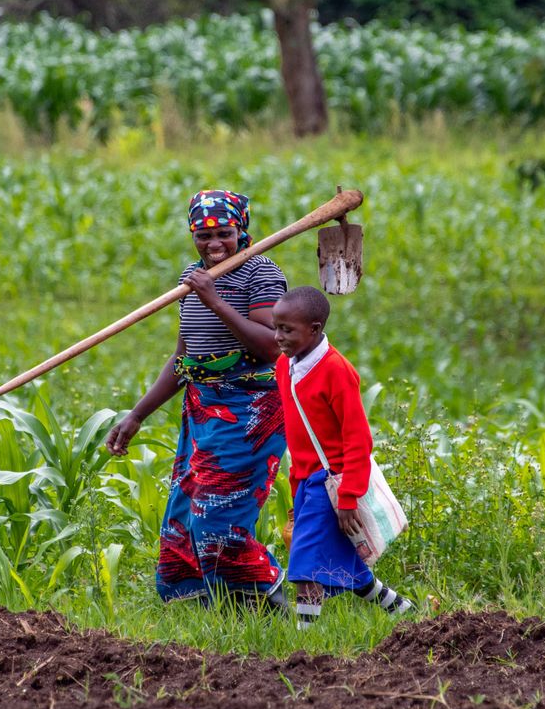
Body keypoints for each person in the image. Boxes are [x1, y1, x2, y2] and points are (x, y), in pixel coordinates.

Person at [105, 190, 290, 608]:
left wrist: (213, 298)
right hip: (203, 411)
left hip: (249, 412)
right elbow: (184, 358)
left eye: (224, 233)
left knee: (218, 511)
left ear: (241, 230)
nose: (214, 244)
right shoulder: (192, 277)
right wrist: (137, 415)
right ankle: (205, 604)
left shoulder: (260, 273)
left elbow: (272, 347)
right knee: (186, 512)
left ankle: (266, 601)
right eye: (203, 235)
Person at [272, 286, 414, 629]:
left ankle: (304, 641)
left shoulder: (336, 370)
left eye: (287, 330)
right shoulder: (284, 366)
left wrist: (348, 496)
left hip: (332, 482)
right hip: (308, 483)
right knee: (343, 564)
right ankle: (402, 609)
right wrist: (296, 488)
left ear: (315, 329)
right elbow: (297, 434)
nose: (278, 337)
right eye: (276, 328)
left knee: (305, 566)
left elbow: (358, 439)